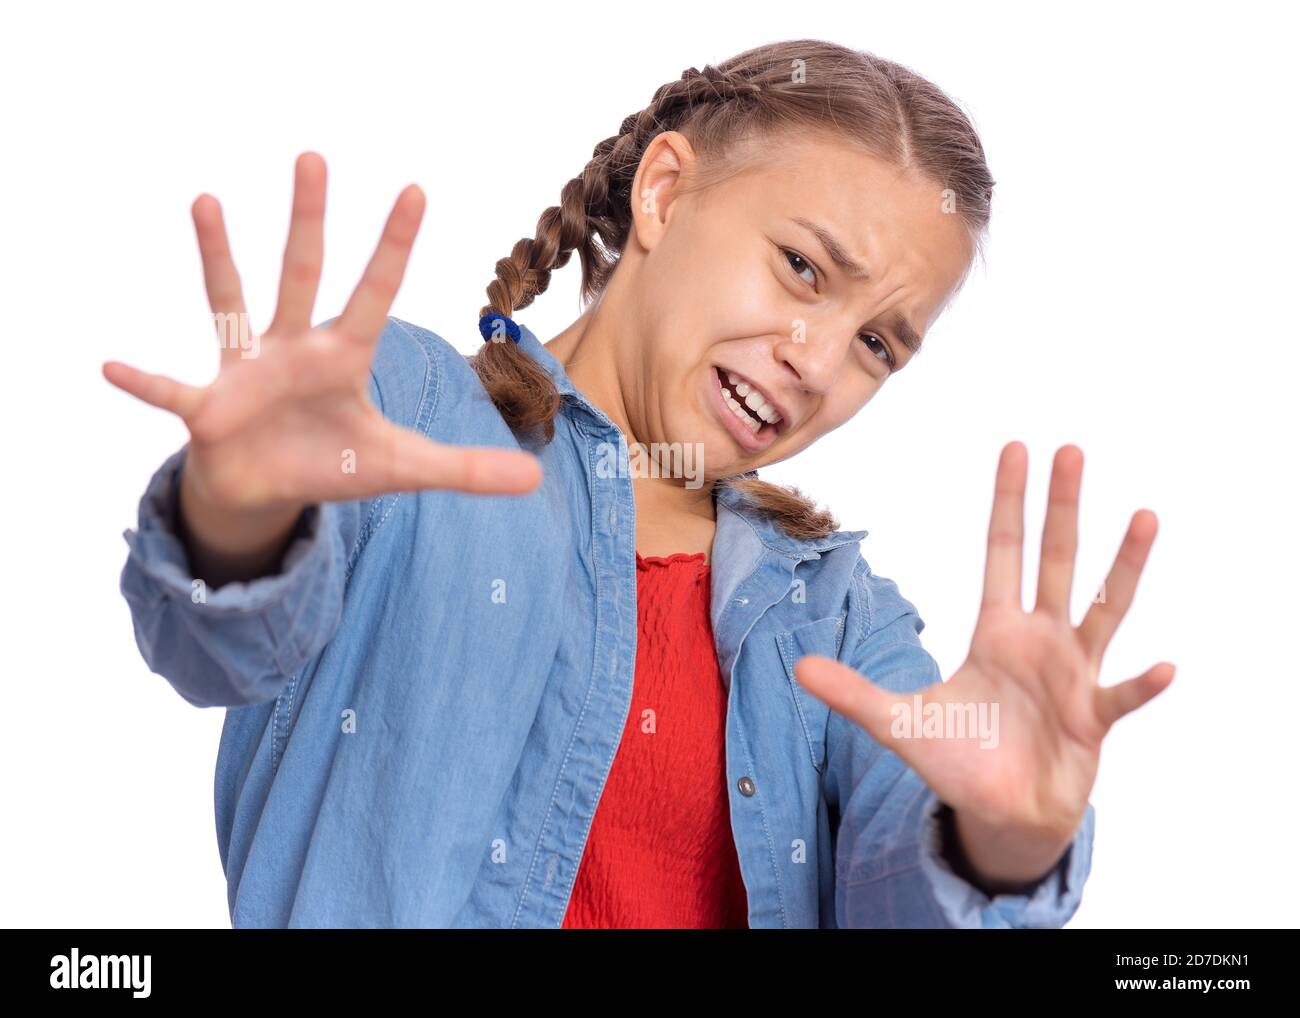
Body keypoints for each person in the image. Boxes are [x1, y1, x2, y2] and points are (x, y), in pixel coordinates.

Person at [103, 39, 1172, 928]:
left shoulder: (837, 618)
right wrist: (236, 511)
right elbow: (213, 645)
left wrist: (1002, 836)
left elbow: (898, 882)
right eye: (803, 267)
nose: (817, 358)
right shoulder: (407, 416)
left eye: (879, 343)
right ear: (663, 193)